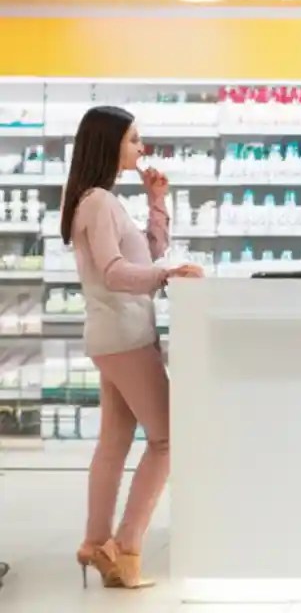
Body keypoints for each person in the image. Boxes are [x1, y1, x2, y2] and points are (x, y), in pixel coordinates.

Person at [62, 106, 204, 589]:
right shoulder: (98, 202)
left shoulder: (99, 200)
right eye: (133, 140)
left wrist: (157, 200)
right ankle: (126, 548)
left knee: (115, 442)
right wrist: (166, 277)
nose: (141, 149)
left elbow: (148, 250)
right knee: (168, 440)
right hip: (124, 337)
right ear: (108, 145)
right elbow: (115, 272)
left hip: (114, 336)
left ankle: (95, 542)